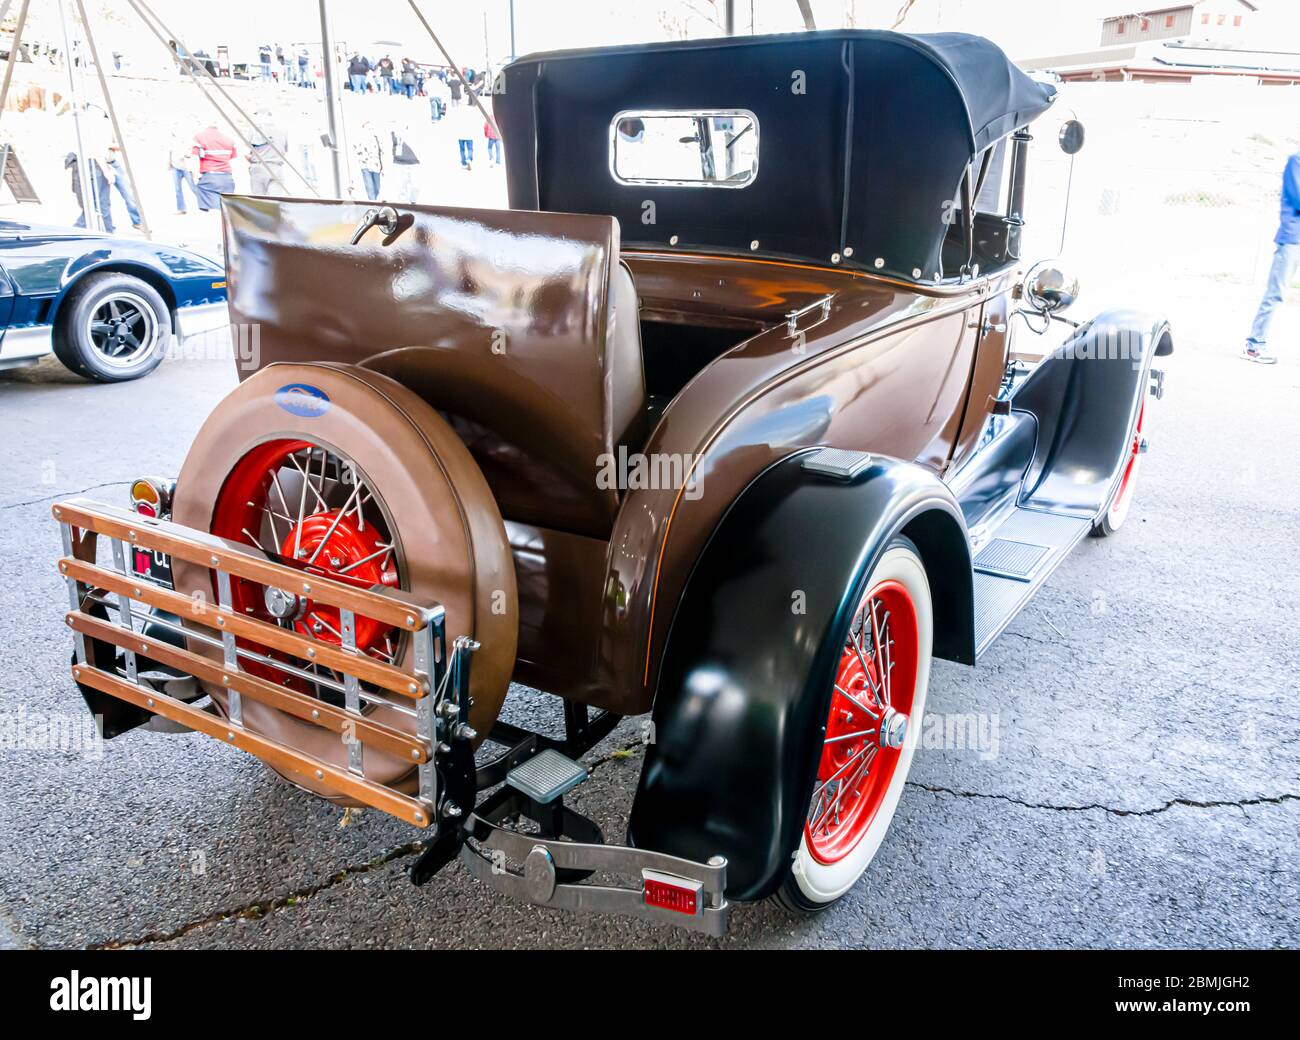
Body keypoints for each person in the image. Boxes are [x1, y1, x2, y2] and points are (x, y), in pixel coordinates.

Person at [1243, 151, 1300, 365]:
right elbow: (1298, 198)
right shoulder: (1296, 161)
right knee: (1277, 292)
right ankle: (1254, 345)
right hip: (1294, 238)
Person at [192, 122, 237, 211]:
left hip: (210, 177)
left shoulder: (199, 137)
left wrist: (196, 176)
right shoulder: (229, 139)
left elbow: (194, 158)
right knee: (226, 209)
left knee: (214, 210)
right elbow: (233, 158)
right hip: (227, 178)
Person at [67, 152, 114, 233]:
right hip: (94, 164)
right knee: (100, 205)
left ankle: (77, 229)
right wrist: (107, 171)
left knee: (93, 205)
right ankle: (77, 229)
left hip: (83, 163)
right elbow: (97, 151)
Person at [247, 109, 288, 195]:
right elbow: (284, 151)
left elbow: (247, 153)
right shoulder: (282, 130)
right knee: (275, 201)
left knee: (259, 202)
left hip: (259, 167)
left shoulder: (254, 129)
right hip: (277, 168)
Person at [167, 133, 200, 214]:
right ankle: (182, 209)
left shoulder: (186, 142)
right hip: (175, 168)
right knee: (177, 189)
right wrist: (169, 163)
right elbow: (170, 152)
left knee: (193, 187)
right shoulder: (171, 142)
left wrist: (185, 156)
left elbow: (190, 155)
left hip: (186, 169)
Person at [389, 127, 422, 202]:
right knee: (402, 187)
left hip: (414, 162)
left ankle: (413, 203)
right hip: (399, 162)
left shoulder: (412, 129)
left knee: (415, 186)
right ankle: (403, 204)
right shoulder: (393, 131)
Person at [355, 119, 383, 201]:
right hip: (365, 166)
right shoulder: (360, 139)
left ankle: (374, 200)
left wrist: (382, 165)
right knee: (370, 188)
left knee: (377, 188)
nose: (370, 130)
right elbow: (357, 151)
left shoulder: (375, 138)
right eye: (368, 128)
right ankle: (373, 203)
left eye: (371, 128)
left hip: (376, 165)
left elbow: (380, 151)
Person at [454, 93, 478, 170]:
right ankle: (469, 159)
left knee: (462, 149)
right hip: (469, 132)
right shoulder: (471, 110)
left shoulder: (458, 111)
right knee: (470, 148)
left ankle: (463, 162)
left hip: (460, 133)